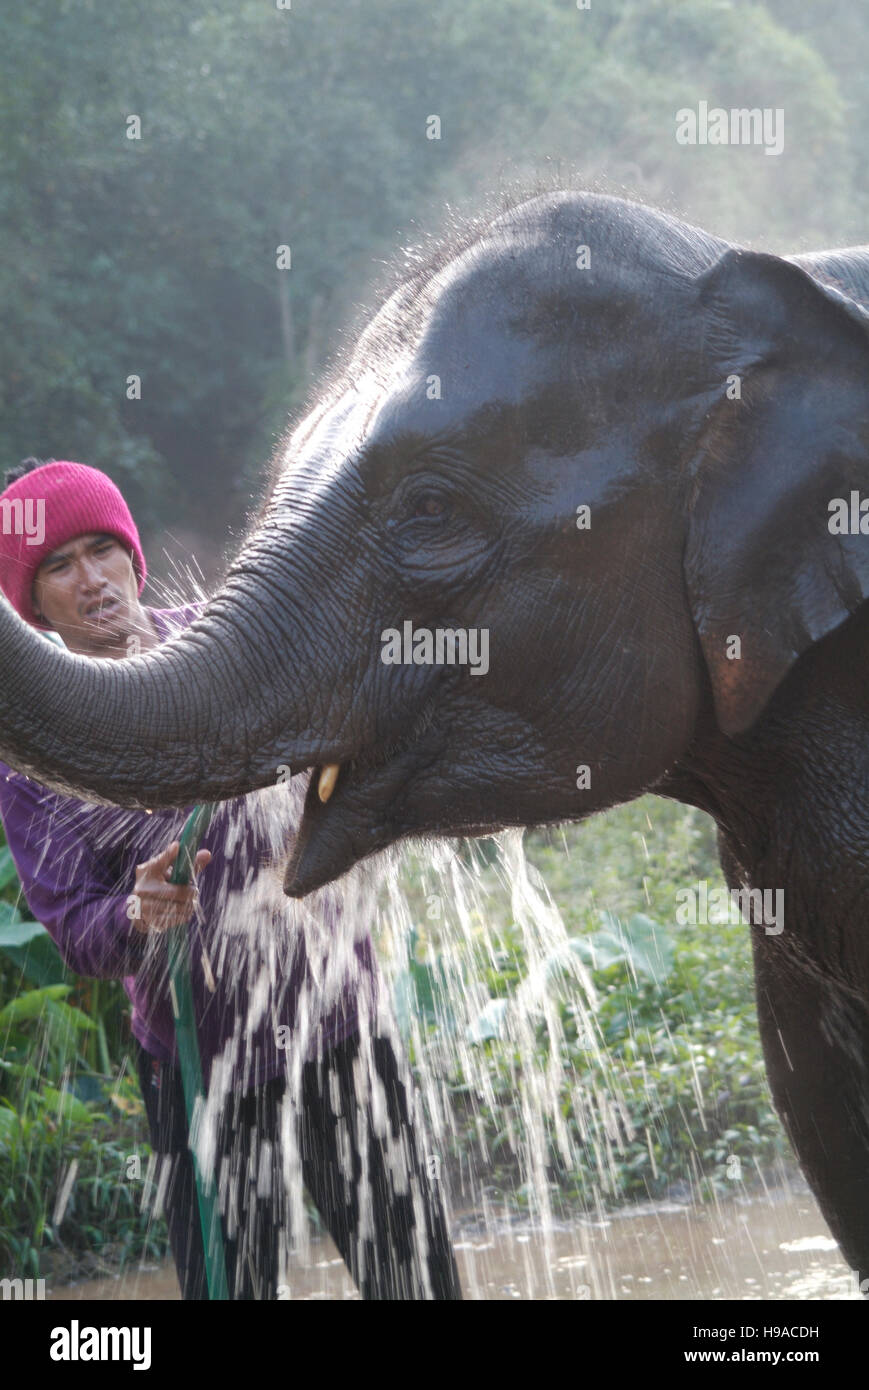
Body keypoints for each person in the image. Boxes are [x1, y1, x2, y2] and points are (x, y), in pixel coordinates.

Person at [0, 457, 461, 1300]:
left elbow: (348, 728)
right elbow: (76, 933)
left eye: (103, 549)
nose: (90, 579)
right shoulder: (33, 764)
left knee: (417, 1284)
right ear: (31, 608)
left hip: (339, 1030)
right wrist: (138, 914)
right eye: (58, 567)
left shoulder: (231, 650)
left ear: (135, 559)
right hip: (196, 1067)